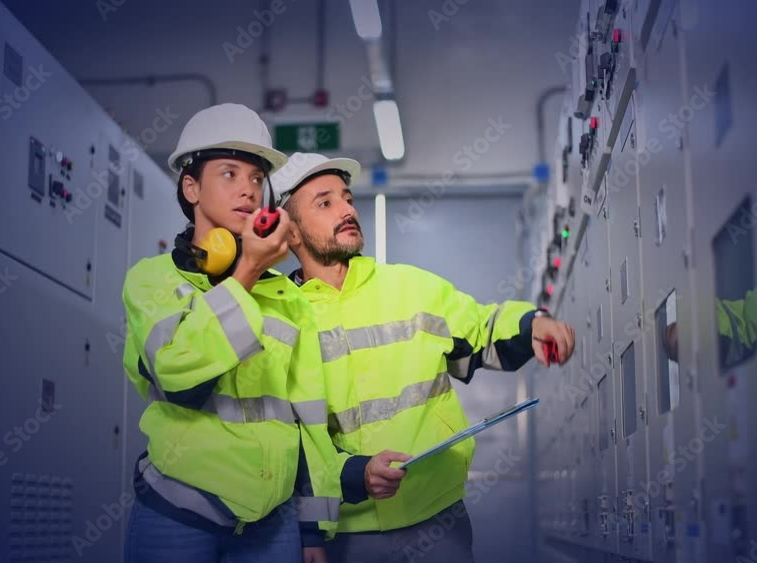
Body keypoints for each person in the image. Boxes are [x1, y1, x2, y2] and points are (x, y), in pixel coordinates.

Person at [270, 152, 577, 562]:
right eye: (325, 203)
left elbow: (482, 327)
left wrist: (532, 324)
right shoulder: (282, 317)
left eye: (347, 198)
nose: (346, 210)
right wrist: (348, 482)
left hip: (437, 517)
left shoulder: (409, 286)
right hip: (349, 530)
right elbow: (292, 439)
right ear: (290, 234)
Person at [121, 105, 367, 563]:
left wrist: (313, 529)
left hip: (271, 524)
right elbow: (177, 376)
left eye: (257, 179)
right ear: (190, 187)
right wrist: (248, 270)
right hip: (178, 512)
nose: (248, 190)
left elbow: (307, 421)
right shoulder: (153, 281)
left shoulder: (287, 298)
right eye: (229, 173)